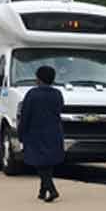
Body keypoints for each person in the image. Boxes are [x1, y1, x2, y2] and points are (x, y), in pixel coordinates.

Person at [18, 65, 66, 202]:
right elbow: (60, 108)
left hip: (36, 132)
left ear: (38, 79)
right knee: (48, 162)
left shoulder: (32, 94)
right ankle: (42, 190)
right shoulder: (57, 93)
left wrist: (21, 132)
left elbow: (25, 115)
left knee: (39, 162)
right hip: (54, 131)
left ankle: (51, 189)